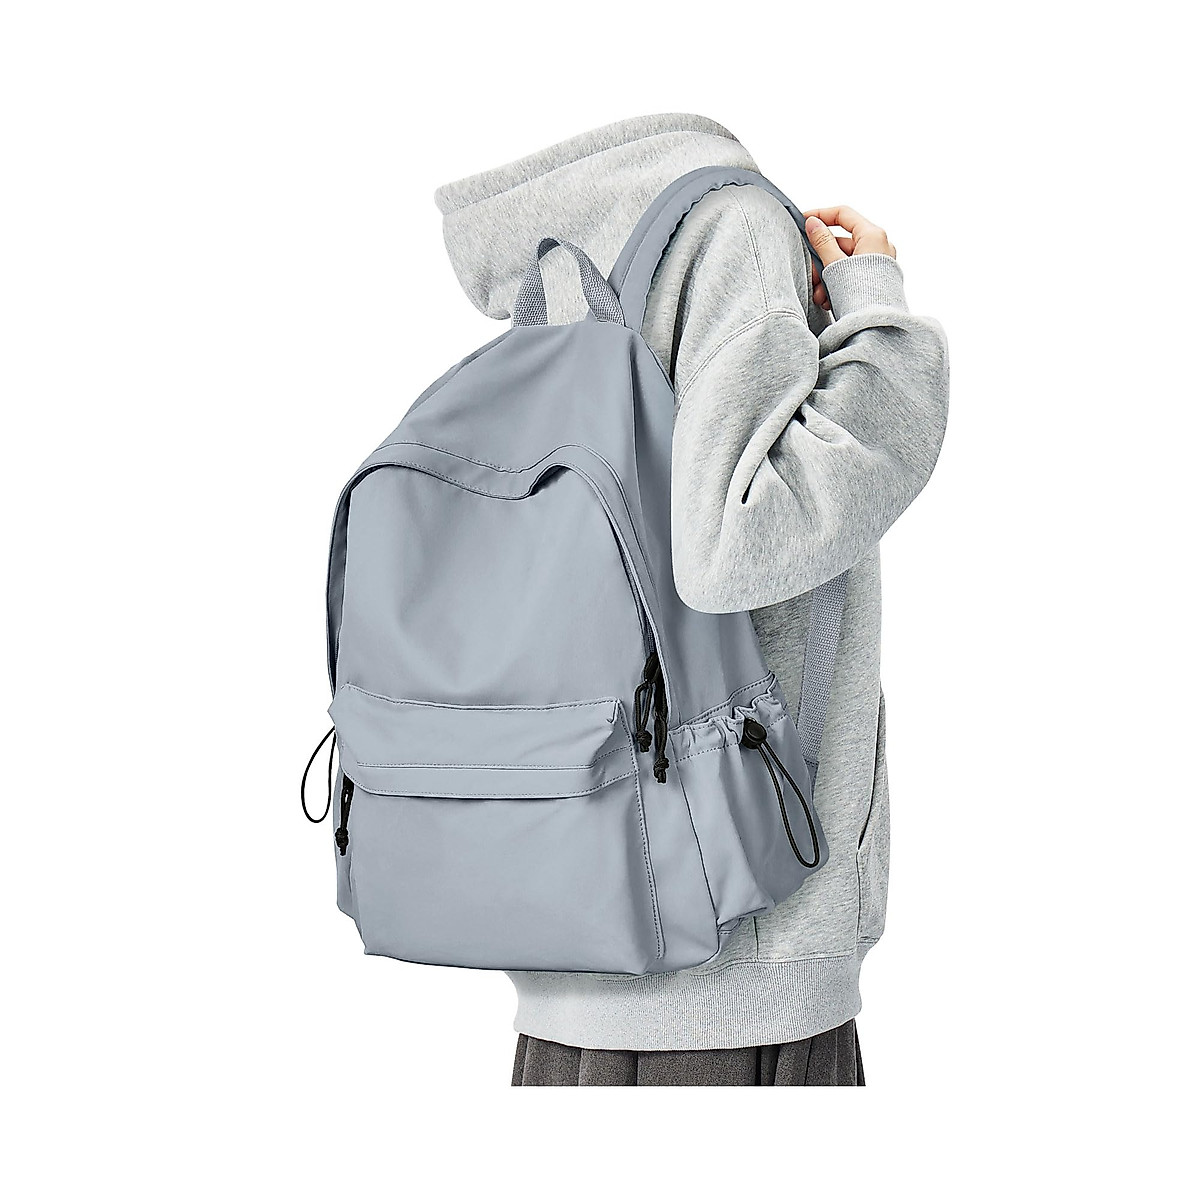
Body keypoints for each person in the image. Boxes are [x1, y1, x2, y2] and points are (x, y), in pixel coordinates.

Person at [434, 114, 949, 1086]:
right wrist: (877, 322)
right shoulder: (729, 226)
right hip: (740, 967)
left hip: (571, 957)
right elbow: (735, 544)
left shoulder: (572, 253)